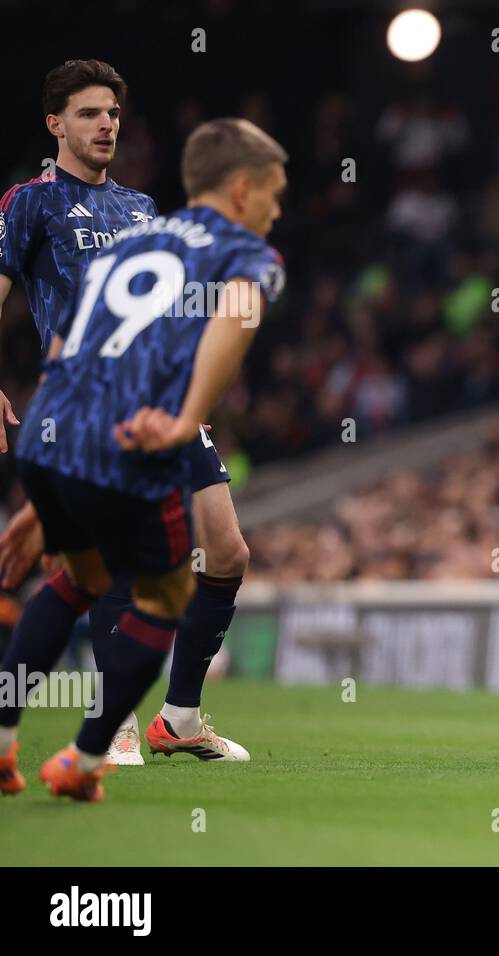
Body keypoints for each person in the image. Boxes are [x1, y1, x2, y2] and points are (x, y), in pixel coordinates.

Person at [0, 117, 286, 801]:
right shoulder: (245, 254)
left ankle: (6, 743)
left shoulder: (133, 240)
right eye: (275, 194)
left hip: (58, 420)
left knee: (79, 577)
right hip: (136, 429)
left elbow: (70, 345)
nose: (278, 210)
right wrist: (186, 417)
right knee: (161, 591)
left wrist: (50, 482)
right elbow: (236, 322)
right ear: (242, 190)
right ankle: (90, 752)